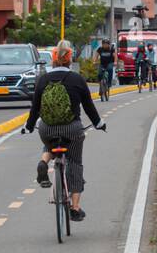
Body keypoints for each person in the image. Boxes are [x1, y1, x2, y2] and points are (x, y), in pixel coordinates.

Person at [23, 41, 105, 220]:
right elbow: (89, 108)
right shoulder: (77, 79)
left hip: (47, 129)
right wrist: (99, 123)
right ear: (69, 59)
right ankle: (75, 208)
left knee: (50, 144)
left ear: (53, 59)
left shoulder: (43, 79)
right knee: (75, 162)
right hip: (72, 129)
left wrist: (29, 127)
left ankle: (43, 162)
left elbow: (35, 108)